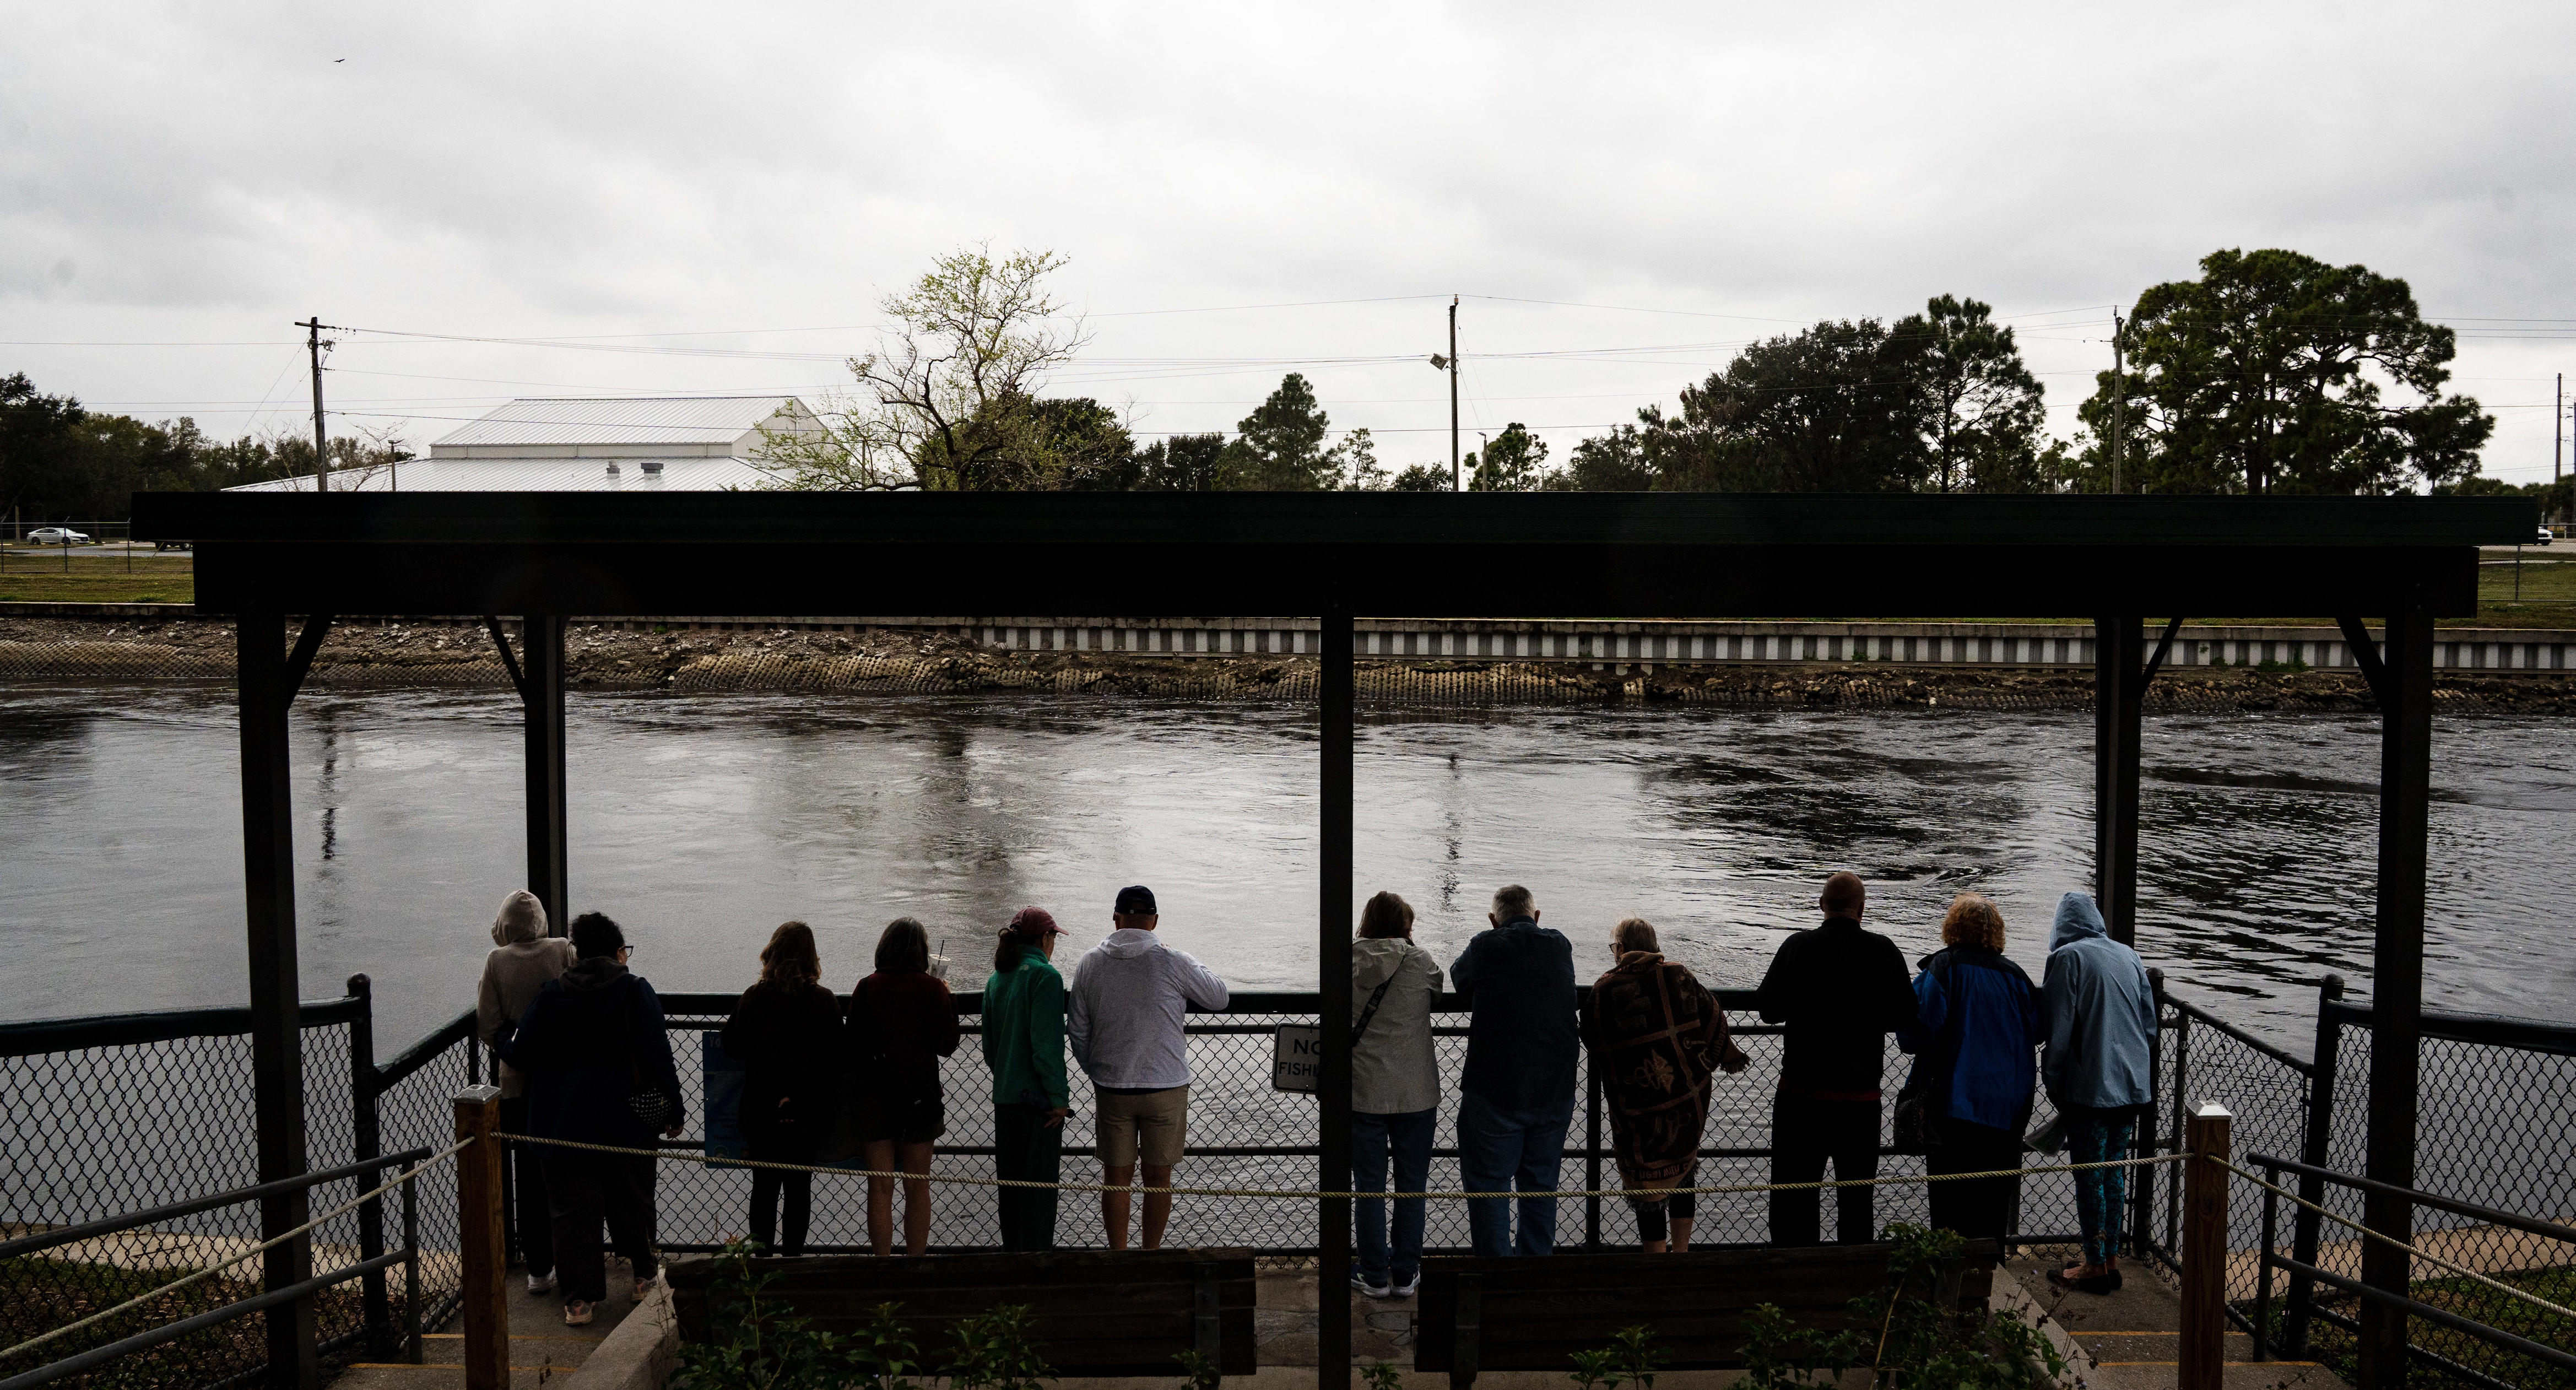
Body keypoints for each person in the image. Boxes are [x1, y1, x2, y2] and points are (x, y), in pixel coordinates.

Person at [497, 911, 683, 1327]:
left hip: (562, 1125)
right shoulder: (635, 991)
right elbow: (658, 1057)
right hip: (626, 1124)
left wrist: (498, 1036)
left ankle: (579, 1301)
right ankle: (641, 1276)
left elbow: (520, 1053)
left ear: (578, 953)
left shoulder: (551, 995)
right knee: (631, 1197)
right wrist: (674, 1109)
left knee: (571, 1212)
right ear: (618, 951)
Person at [1755, 871, 1918, 1247]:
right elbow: (1907, 1013)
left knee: (1793, 1197)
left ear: (1821, 905)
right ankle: (1852, 1282)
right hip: (1860, 1101)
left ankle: (1794, 1279)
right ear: (1862, 908)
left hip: (1801, 1096)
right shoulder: (1884, 950)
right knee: (1857, 1199)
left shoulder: (1797, 946)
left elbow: (1767, 1009)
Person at [1068, 885, 1231, 1251]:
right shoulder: (1173, 960)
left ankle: (1120, 1258)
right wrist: (1187, 960)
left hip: (1113, 1086)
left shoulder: (1090, 962)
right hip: (1166, 1086)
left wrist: (1096, 1068)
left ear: (1116, 917)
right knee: (1159, 1179)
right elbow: (1219, 997)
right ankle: (1151, 1254)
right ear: (1154, 921)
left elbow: (1077, 1028)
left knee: (1116, 1179)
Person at [1581, 918, 1747, 1253]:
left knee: (1647, 1179)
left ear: (1623, 950)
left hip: (1638, 1101)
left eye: (1614, 948)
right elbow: (1714, 1018)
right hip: (1686, 1096)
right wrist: (1702, 1065)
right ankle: (1682, 1251)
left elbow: (1594, 1039)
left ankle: (1655, 1259)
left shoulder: (1604, 990)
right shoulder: (1679, 975)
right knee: (1684, 1167)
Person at [1898, 893, 2040, 1243]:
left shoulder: (1945, 968)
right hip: (2009, 1107)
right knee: (1992, 1206)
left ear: (1952, 928)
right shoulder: (2018, 977)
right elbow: (2038, 1029)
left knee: (1950, 1205)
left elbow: (1918, 1031)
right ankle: (1989, 1283)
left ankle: (1951, 1286)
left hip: (1956, 1105)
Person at [1450, 884, 1579, 1258]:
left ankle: (1496, 1280)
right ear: (1537, 917)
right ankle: (1533, 1277)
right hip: (1554, 1089)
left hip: (1496, 1089)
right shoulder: (1560, 945)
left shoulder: (1485, 945)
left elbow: (1460, 983)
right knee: (1540, 1187)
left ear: (1494, 920)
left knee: (1490, 1188)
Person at [2040, 891, 2157, 1294]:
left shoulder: (2067, 959)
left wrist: (2053, 1081)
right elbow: (2150, 1025)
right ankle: (2109, 1258)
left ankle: (2093, 1265)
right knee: (2113, 1170)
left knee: (2089, 1175)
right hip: (2131, 1086)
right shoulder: (2130, 955)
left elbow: (2058, 1031)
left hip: (2090, 1089)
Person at [718, 921, 841, 1256]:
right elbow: (835, 1060)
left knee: (764, 1190)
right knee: (799, 1190)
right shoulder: (825, 1001)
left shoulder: (754, 998)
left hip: (762, 1110)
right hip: (806, 1112)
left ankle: (762, 1264)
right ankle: (793, 1262)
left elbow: (732, 1045)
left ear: (772, 953)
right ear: (811, 958)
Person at [474, 890, 575, 1295]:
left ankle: (538, 1268)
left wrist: (515, 1046)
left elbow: (487, 1025)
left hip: (517, 1086)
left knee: (529, 1177)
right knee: (569, 1174)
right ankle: (574, 1261)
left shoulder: (496, 961)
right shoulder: (562, 950)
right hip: (566, 1080)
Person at [846, 917, 962, 1256]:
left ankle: (882, 1264)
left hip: (874, 1095)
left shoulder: (867, 986)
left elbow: (851, 1045)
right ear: (922, 952)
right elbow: (947, 1044)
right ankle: (916, 1264)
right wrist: (947, 998)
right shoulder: (932, 989)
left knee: (880, 1187)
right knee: (917, 1186)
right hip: (919, 1097)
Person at [1349, 891, 1443, 1296]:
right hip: (1415, 1092)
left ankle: (1372, 1272)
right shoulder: (1420, 960)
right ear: (1406, 925)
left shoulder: (1346, 960)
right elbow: (1438, 990)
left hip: (1362, 1092)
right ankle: (1405, 1273)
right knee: (1412, 1186)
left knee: (1368, 1187)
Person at [983, 907, 1071, 1251]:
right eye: (1054, 939)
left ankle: (1013, 1267)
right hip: (1038, 1106)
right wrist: (1059, 1099)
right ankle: (1037, 1273)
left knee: (1012, 1193)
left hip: (1006, 1100)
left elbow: (991, 1049)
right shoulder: (1045, 977)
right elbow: (1046, 1047)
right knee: (1039, 1194)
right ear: (1045, 939)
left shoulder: (996, 979)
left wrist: (1008, 1075)